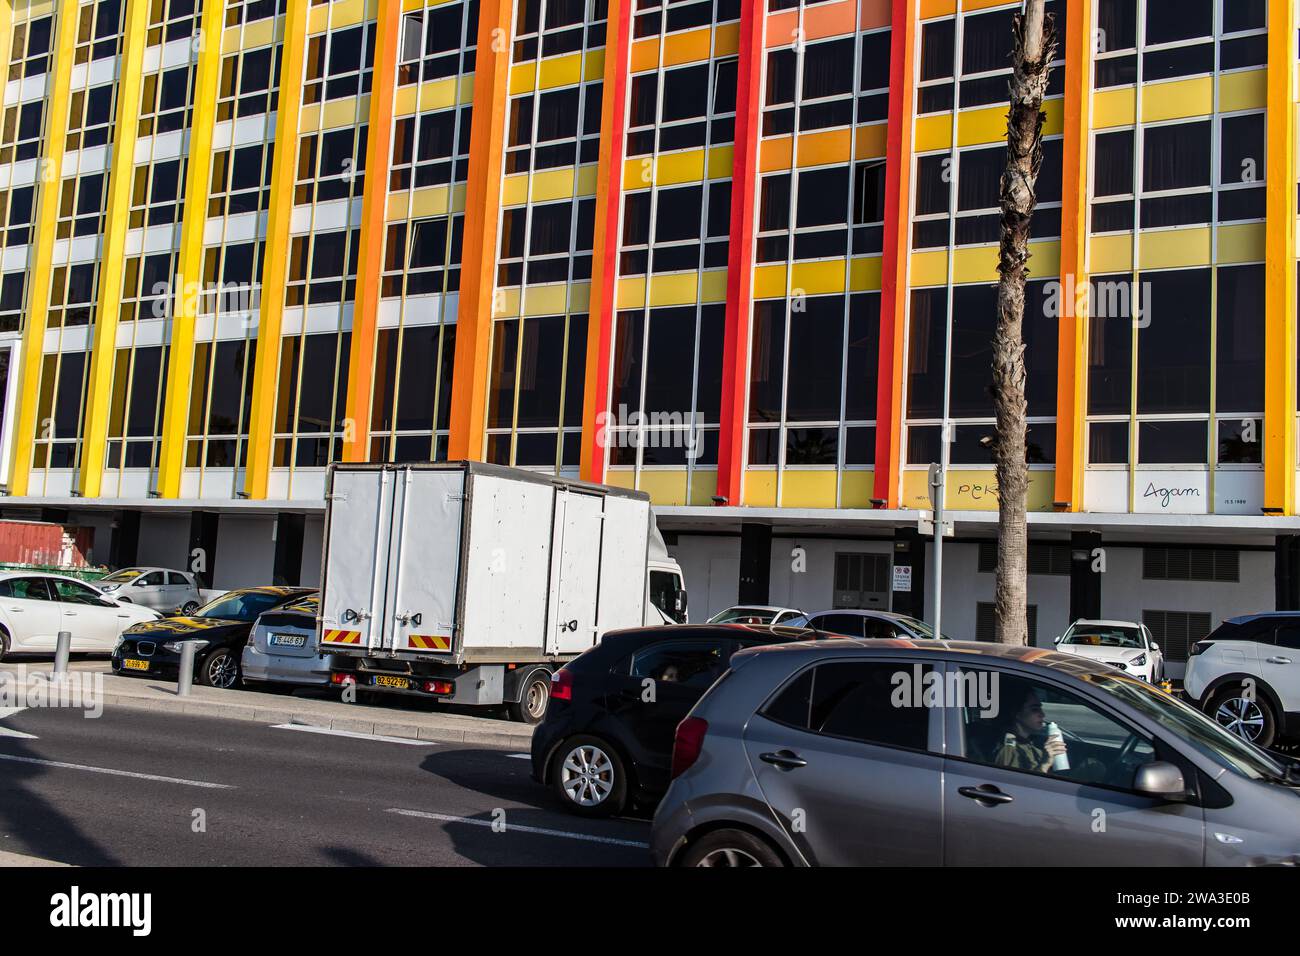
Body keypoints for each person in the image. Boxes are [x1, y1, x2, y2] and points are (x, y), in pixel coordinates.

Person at [992, 689, 1067, 774]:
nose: (1042, 714)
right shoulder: (1008, 749)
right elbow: (1013, 784)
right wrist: (1045, 764)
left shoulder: (1028, 745)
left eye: (1040, 708)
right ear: (1017, 713)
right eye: (1034, 709)